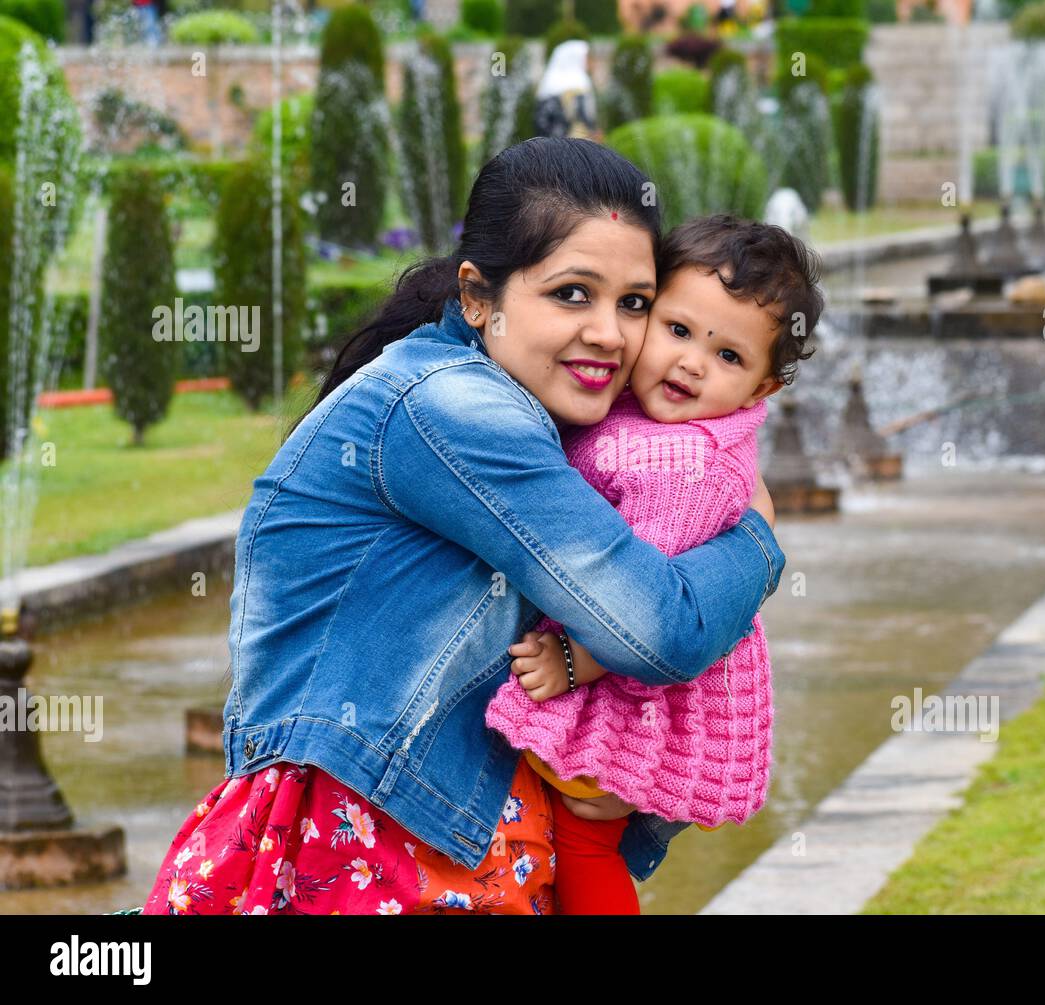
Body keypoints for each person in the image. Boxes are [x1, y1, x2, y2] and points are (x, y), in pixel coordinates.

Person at [140, 138, 784, 915]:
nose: (613, 334)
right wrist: (756, 537)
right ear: (479, 298)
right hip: (370, 856)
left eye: (636, 303)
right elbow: (659, 629)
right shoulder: (454, 410)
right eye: (573, 293)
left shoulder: (524, 408)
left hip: (440, 848)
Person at [485, 215, 821, 914]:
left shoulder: (685, 464)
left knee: (582, 842)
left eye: (729, 356)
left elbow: (643, 606)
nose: (693, 362)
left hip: (636, 703)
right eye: (677, 330)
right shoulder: (638, 417)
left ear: (761, 390)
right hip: (630, 690)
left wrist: (574, 660)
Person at [533, 39, 599, 141]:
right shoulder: (580, 82)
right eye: (587, 57)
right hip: (576, 144)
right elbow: (585, 119)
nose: (591, 61)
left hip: (548, 145)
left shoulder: (548, 83)